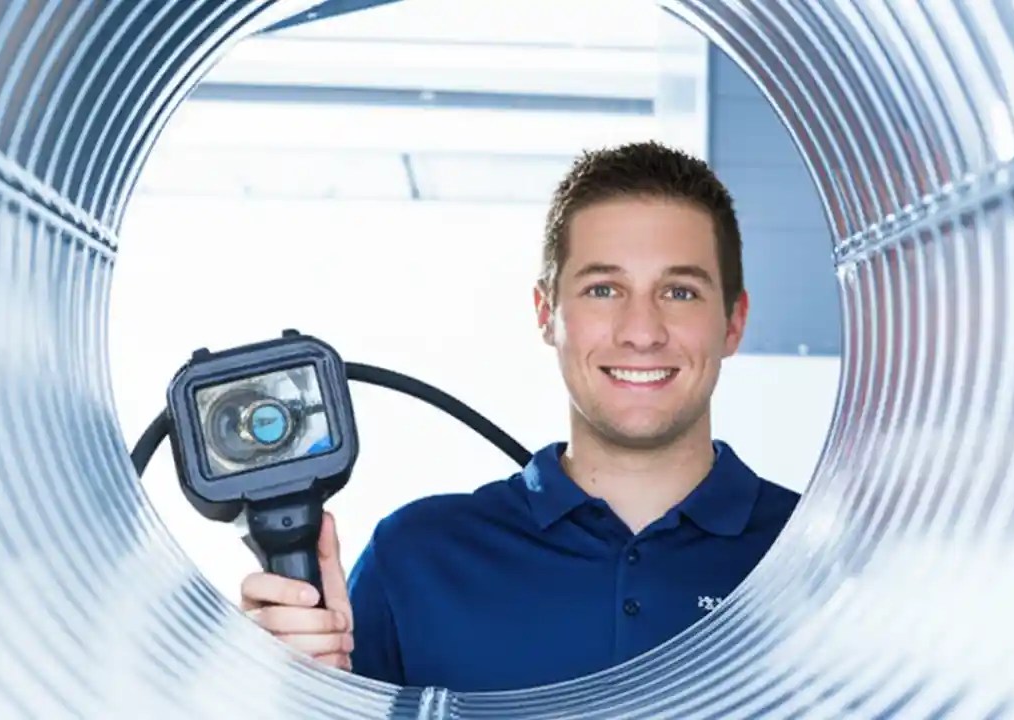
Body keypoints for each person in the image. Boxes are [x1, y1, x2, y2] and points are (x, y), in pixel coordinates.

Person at [240, 140, 801, 692]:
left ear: (733, 321)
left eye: (679, 292)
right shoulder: (416, 558)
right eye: (603, 289)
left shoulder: (820, 560)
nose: (641, 332)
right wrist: (304, 689)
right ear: (546, 313)